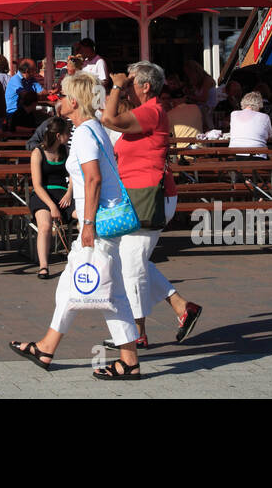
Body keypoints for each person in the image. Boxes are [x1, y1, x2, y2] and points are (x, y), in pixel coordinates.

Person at [8, 71, 142, 380]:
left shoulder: (83, 133)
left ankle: (125, 360)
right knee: (78, 286)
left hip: (98, 223)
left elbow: (93, 178)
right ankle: (47, 347)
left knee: (107, 292)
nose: (57, 100)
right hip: (101, 220)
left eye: (62, 95)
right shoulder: (92, 129)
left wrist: (89, 223)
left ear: (73, 101)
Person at [102, 63, 202, 347]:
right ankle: (181, 306)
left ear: (146, 86)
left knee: (132, 263)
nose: (127, 85)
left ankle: (136, 333)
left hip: (150, 196)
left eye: (132, 81)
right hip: (139, 196)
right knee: (133, 260)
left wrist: (117, 86)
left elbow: (109, 119)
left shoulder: (151, 111)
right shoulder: (147, 111)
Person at [28, 116, 72, 278]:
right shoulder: (38, 152)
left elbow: (73, 175)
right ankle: (44, 266)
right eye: (67, 133)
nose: (69, 136)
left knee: (83, 216)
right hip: (43, 194)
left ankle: (84, 259)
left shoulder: (66, 150)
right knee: (45, 226)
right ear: (59, 135)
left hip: (63, 193)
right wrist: (52, 206)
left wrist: (69, 193)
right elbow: (37, 185)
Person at [229, 91, 272, 156]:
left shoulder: (233, 114)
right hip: (257, 156)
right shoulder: (264, 117)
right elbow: (269, 136)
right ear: (259, 104)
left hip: (235, 155)